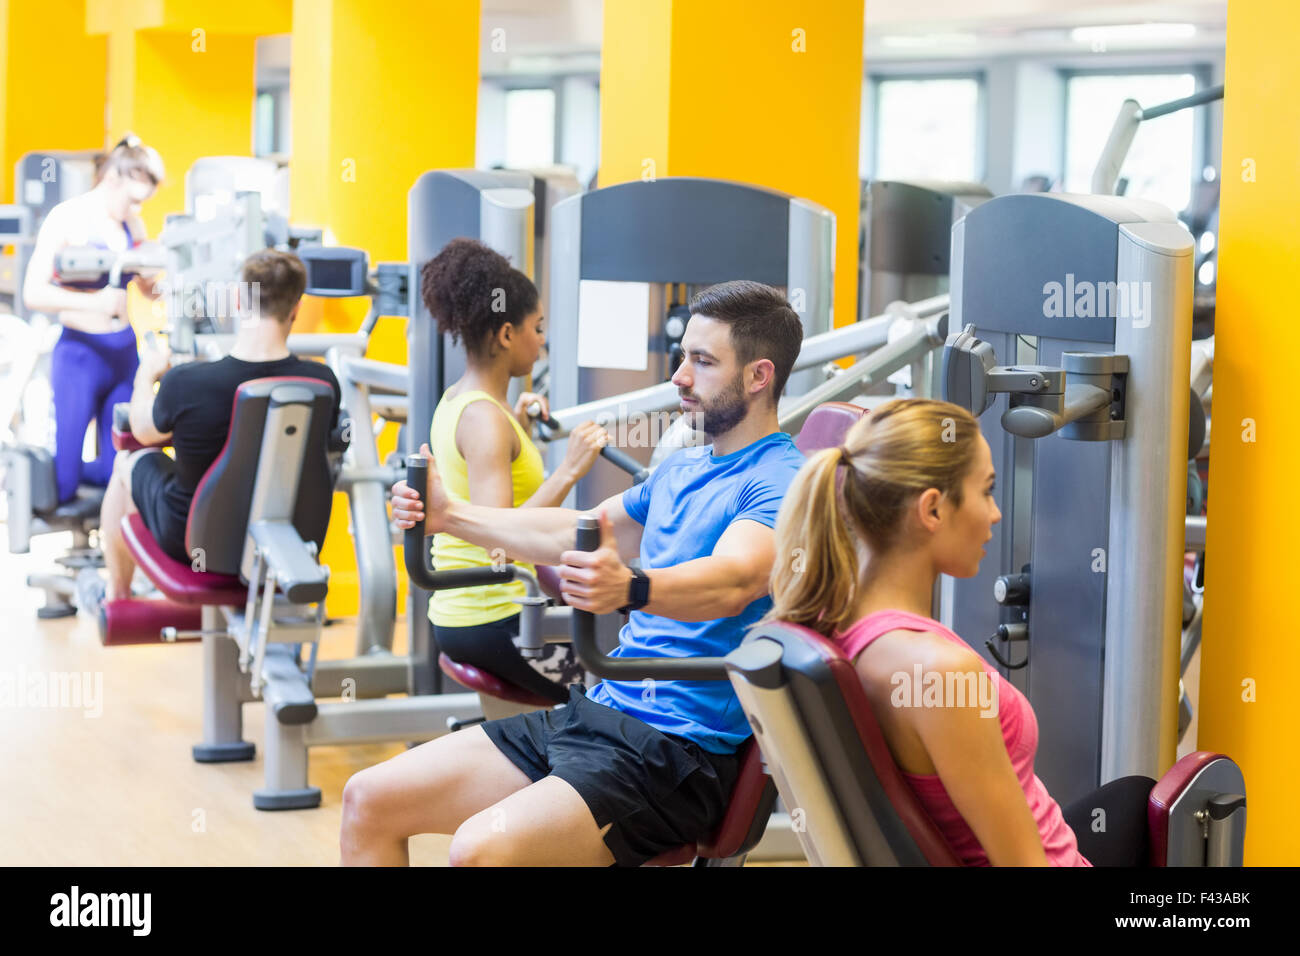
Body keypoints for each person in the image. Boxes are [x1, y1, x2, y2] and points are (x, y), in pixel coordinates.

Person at [342, 279, 806, 866]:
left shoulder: (779, 480)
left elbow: (737, 578)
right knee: (368, 799)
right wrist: (450, 516)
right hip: (602, 712)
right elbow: (578, 530)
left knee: (480, 851)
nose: (679, 377)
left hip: (677, 752)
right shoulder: (684, 469)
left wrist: (635, 588)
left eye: (703, 362)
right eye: (683, 356)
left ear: (759, 376)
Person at [766, 398, 1156, 867]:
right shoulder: (940, 674)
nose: (995, 514)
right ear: (932, 509)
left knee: (1137, 800)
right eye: (986, 491)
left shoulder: (834, 625)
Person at [83, 249, 341, 617]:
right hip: (290, 536)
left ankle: (118, 597)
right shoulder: (322, 383)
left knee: (130, 460)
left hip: (194, 540)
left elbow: (141, 428)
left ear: (238, 300)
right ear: (296, 308)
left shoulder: (187, 383)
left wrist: (147, 376)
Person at [413, 238, 610, 700]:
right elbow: (497, 534)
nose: (541, 341)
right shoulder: (485, 419)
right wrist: (569, 470)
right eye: (536, 328)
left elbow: (481, 479)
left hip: (465, 614)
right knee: (609, 699)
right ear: (505, 334)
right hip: (495, 620)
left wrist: (517, 426)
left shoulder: (464, 401)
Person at [22, 134, 165, 504]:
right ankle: (22, 486)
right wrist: (94, 302)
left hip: (123, 354)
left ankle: (108, 545)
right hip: (80, 356)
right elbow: (32, 293)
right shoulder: (68, 218)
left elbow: (146, 287)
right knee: (65, 480)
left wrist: (162, 281)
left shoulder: (133, 226)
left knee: (116, 470)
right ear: (112, 178)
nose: (136, 208)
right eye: (132, 199)